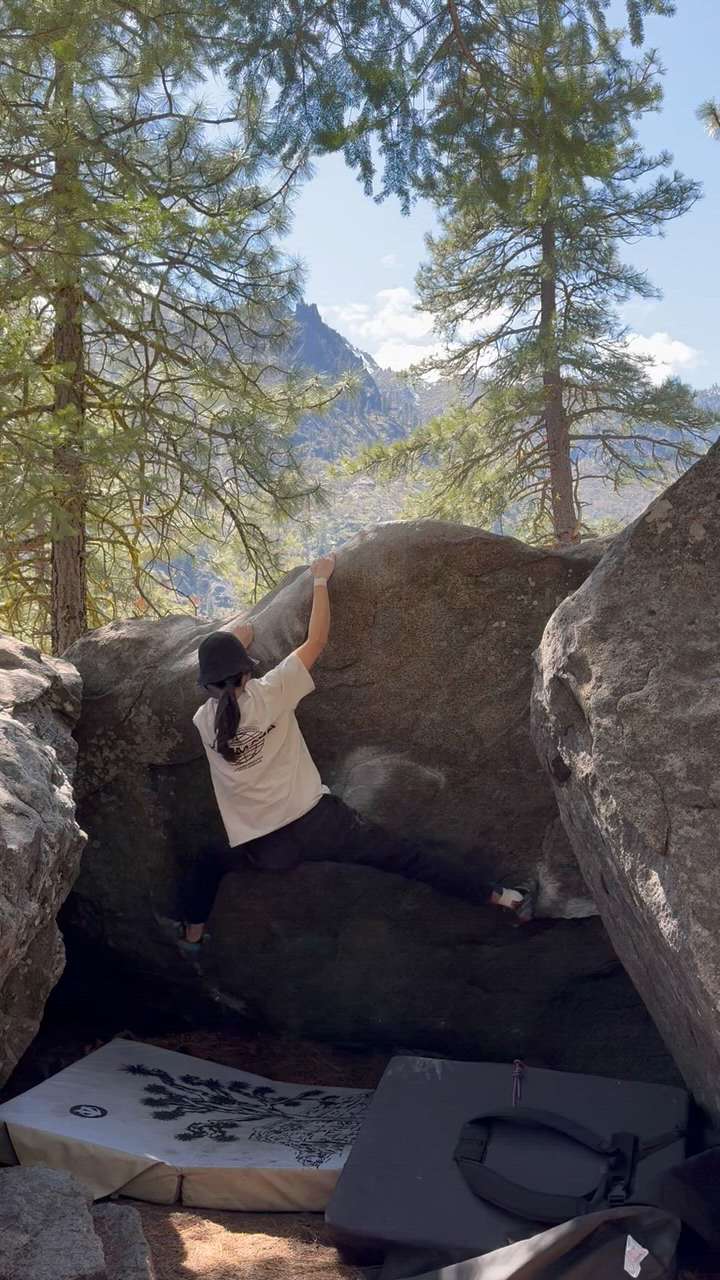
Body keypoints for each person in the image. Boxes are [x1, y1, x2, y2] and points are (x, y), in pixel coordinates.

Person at [178, 552, 532, 948]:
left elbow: (226, 693)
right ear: (246, 672)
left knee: (208, 862)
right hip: (322, 825)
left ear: (207, 685)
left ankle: (192, 940)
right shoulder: (271, 693)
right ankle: (504, 898)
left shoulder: (203, 721)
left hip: (266, 849)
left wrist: (231, 647)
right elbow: (317, 640)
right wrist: (319, 581)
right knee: (407, 858)